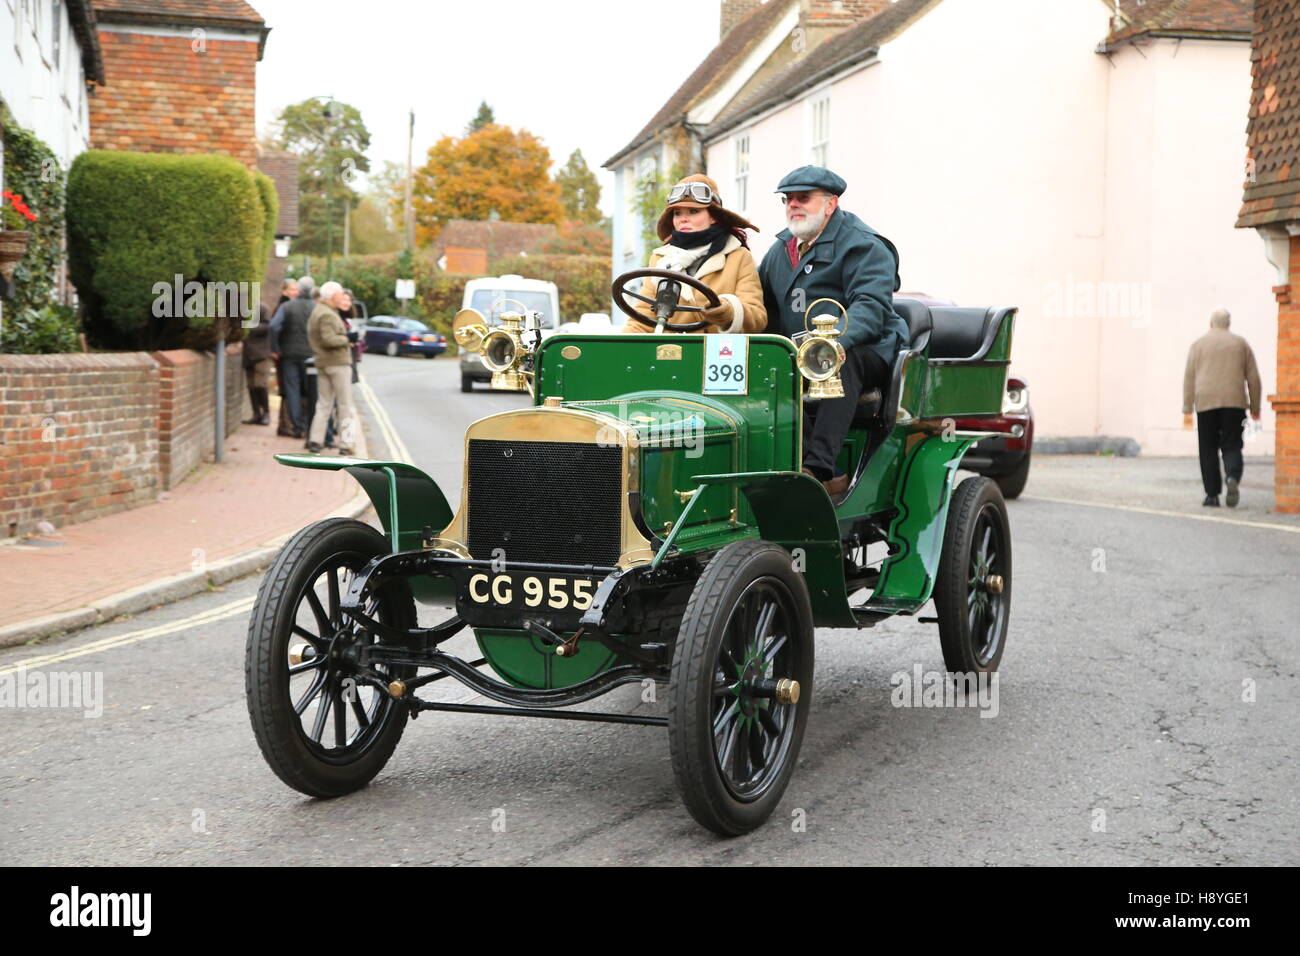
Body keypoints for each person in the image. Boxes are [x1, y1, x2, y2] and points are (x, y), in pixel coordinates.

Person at [757, 165, 909, 497]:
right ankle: (778, 459)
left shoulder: (864, 245)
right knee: (758, 363)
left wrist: (830, 342)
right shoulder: (781, 250)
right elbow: (760, 304)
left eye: (803, 199)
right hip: (798, 353)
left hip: (867, 349)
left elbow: (870, 307)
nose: (793, 206)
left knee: (834, 359)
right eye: (788, 200)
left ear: (830, 204)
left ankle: (820, 469)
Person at [622, 174, 766, 334]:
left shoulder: (738, 257)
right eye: (677, 212)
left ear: (713, 216)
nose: (683, 219)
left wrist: (730, 312)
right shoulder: (660, 259)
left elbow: (757, 317)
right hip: (672, 355)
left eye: (693, 211)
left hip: (719, 355)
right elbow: (642, 319)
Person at [1182, 307, 1262, 507]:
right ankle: (1232, 476)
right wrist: (1255, 406)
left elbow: (1189, 378)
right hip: (1234, 403)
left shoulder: (1198, 345)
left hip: (1206, 403)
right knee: (1232, 443)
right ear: (1228, 324)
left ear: (1210, 324)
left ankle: (1212, 495)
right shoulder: (1240, 344)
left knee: (1207, 447)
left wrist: (1187, 408)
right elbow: (1253, 379)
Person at [307, 281, 358, 456]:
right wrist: (348, 339)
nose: (342, 297)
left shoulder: (319, 311)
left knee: (323, 403)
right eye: (339, 294)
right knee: (345, 404)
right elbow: (328, 340)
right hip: (337, 363)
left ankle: (315, 440)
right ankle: (346, 443)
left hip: (324, 362)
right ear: (331, 296)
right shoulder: (327, 314)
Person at [271, 276, 315, 438]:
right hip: (311, 355)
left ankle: (297, 427)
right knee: (310, 391)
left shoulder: (287, 306)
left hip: (289, 354)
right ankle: (308, 425)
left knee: (292, 391)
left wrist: (275, 348)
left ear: (299, 290)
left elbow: (274, 326)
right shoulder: (317, 307)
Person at [272, 278, 299, 436]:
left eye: (296, 289)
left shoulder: (285, 306)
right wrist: (276, 349)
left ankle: (284, 424)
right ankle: (286, 424)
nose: (295, 292)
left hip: (284, 352)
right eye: (292, 289)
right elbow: (274, 328)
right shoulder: (284, 307)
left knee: (286, 389)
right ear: (284, 292)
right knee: (287, 389)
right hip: (284, 353)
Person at [241, 301, 273, 425]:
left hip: (261, 353)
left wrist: (247, 326)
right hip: (247, 353)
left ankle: (266, 414)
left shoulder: (263, 308)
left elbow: (267, 326)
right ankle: (256, 413)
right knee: (251, 385)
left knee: (261, 384)